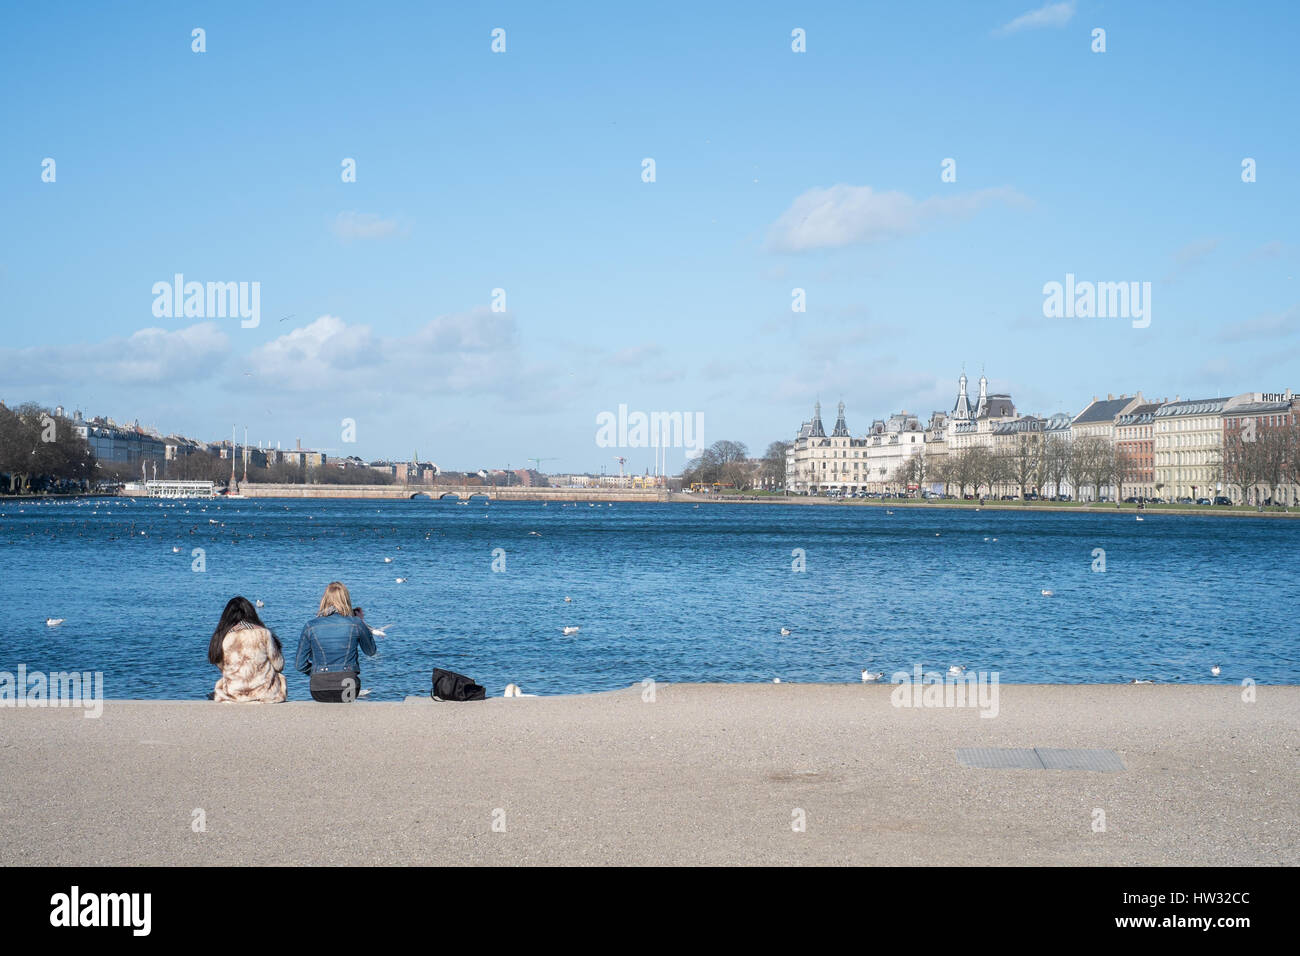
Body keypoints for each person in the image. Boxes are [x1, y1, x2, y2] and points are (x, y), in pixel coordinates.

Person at [295, 582, 376, 702]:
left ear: (325, 599)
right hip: (348, 684)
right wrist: (363, 623)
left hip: (319, 686)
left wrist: (315, 671)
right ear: (346, 599)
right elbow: (371, 651)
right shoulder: (356, 623)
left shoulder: (310, 626)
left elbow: (299, 665)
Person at [209, 596, 286, 703]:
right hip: (264, 694)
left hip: (233, 693)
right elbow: (279, 665)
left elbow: (221, 666)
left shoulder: (223, 636)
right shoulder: (263, 633)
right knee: (280, 677)